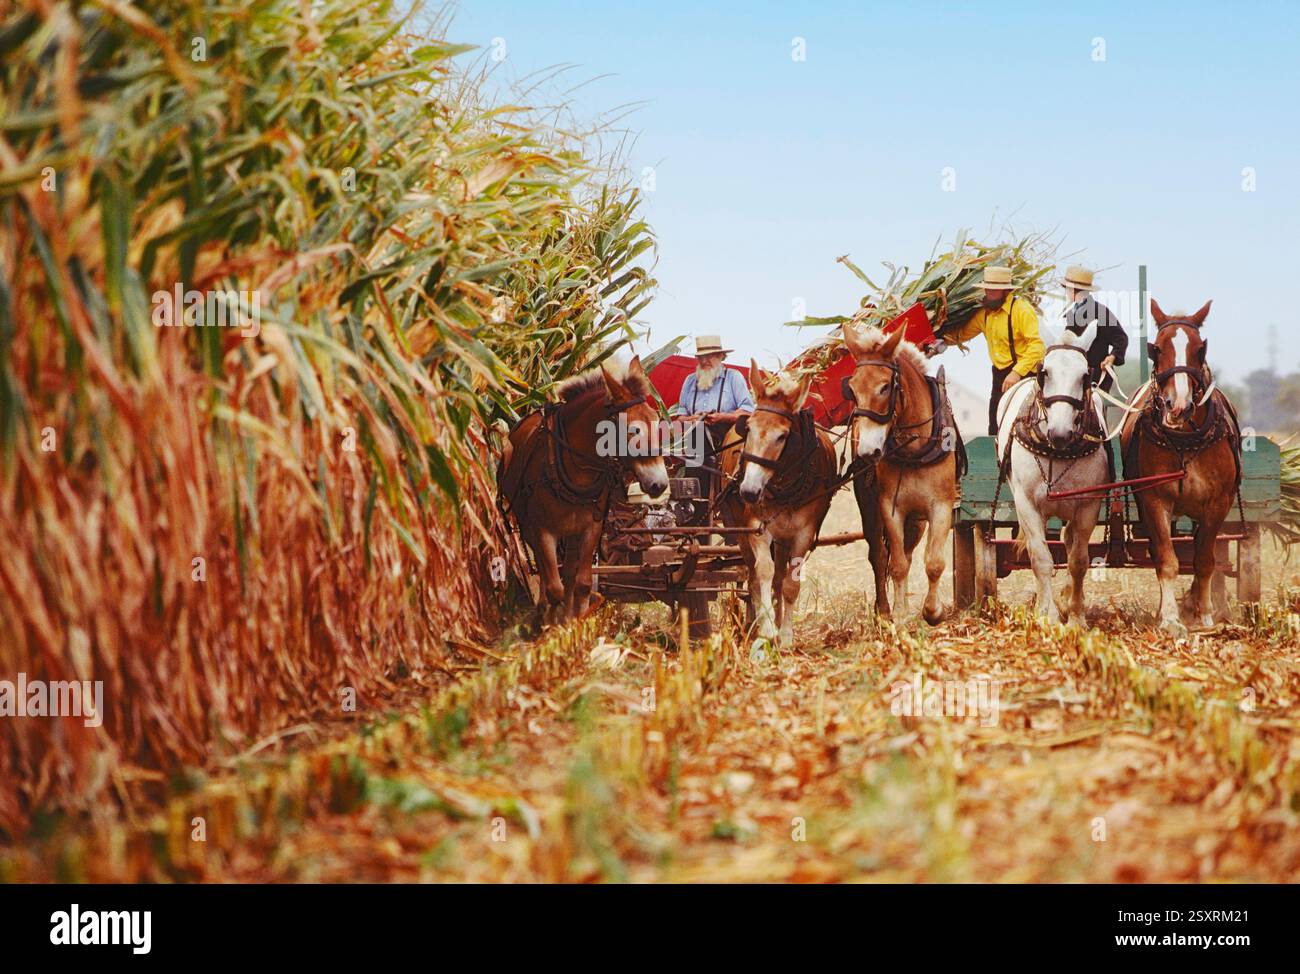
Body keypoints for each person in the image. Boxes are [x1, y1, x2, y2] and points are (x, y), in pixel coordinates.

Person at [932, 266, 1045, 434]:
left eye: (994, 289)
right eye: (987, 288)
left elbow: (1037, 346)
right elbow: (960, 335)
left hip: (1026, 376)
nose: (989, 292)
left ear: (1006, 290)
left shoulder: (1022, 309)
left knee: (1026, 426)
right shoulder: (984, 314)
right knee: (995, 427)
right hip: (999, 377)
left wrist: (1017, 372)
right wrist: (934, 337)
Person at [1059, 265, 1128, 391]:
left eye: (1067, 288)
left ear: (1073, 290)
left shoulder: (1100, 312)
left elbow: (1121, 338)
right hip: (1074, 377)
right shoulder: (1070, 313)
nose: (1066, 291)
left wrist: (1112, 357)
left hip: (1095, 377)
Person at [670, 335, 755, 427]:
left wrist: (724, 417)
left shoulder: (734, 377)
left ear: (721, 356)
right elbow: (681, 417)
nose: (704, 361)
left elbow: (747, 411)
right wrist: (689, 420)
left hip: (727, 436)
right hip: (695, 434)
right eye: (701, 357)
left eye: (709, 356)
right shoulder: (690, 380)